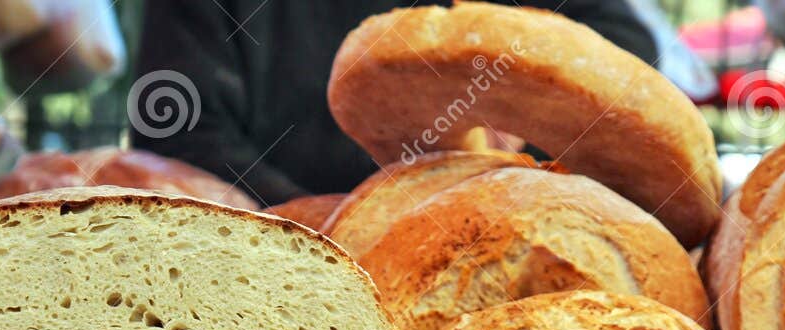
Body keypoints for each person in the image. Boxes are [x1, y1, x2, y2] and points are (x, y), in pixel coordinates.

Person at [130, 0, 658, 203]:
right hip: (273, 273)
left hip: (508, 237)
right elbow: (176, 132)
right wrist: (331, 228)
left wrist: (526, 107)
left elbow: (624, 57)